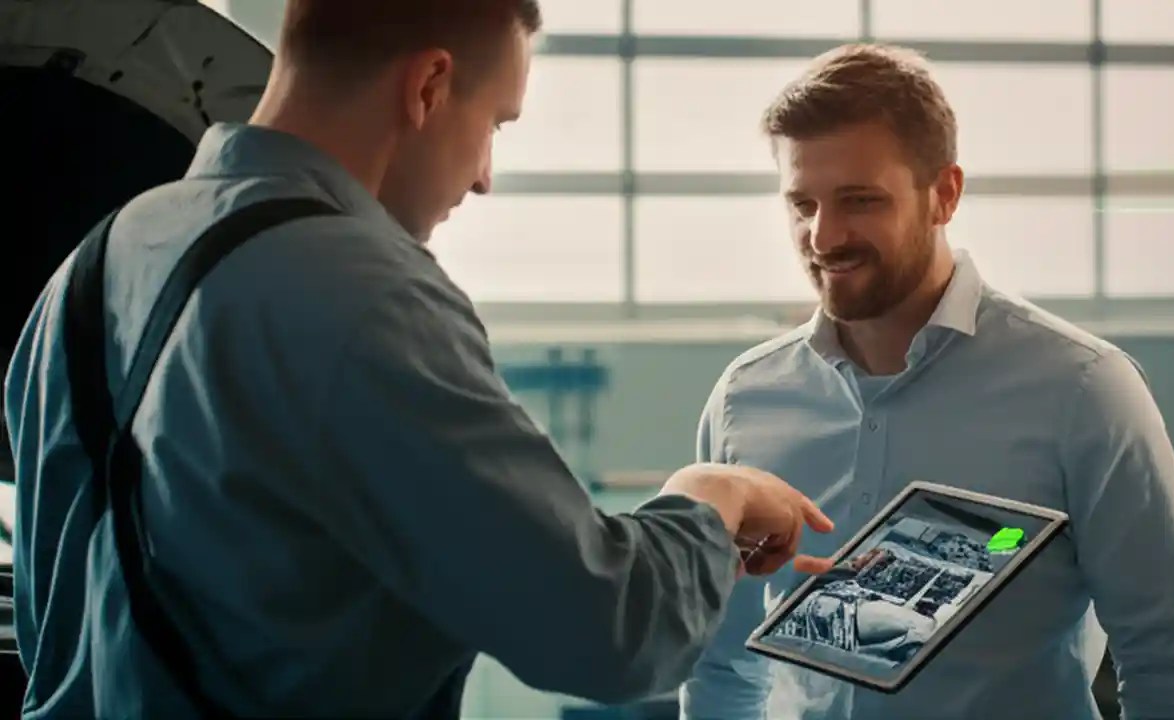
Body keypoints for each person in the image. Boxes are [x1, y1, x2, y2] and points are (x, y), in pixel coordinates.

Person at [2, 1, 836, 717]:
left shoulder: (93, 264)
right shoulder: (366, 294)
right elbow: (604, 632)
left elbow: (50, 622)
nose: (483, 178)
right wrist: (707, 497)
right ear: (429, 86)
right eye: (495, 125)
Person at [679, 44, 1174, 720]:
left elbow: (1169, 660)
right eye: (802, 203)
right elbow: (721, 664)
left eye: (860, 201)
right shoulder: (744, 401)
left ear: (945, 194)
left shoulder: (1082, 390)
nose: (823, 236)